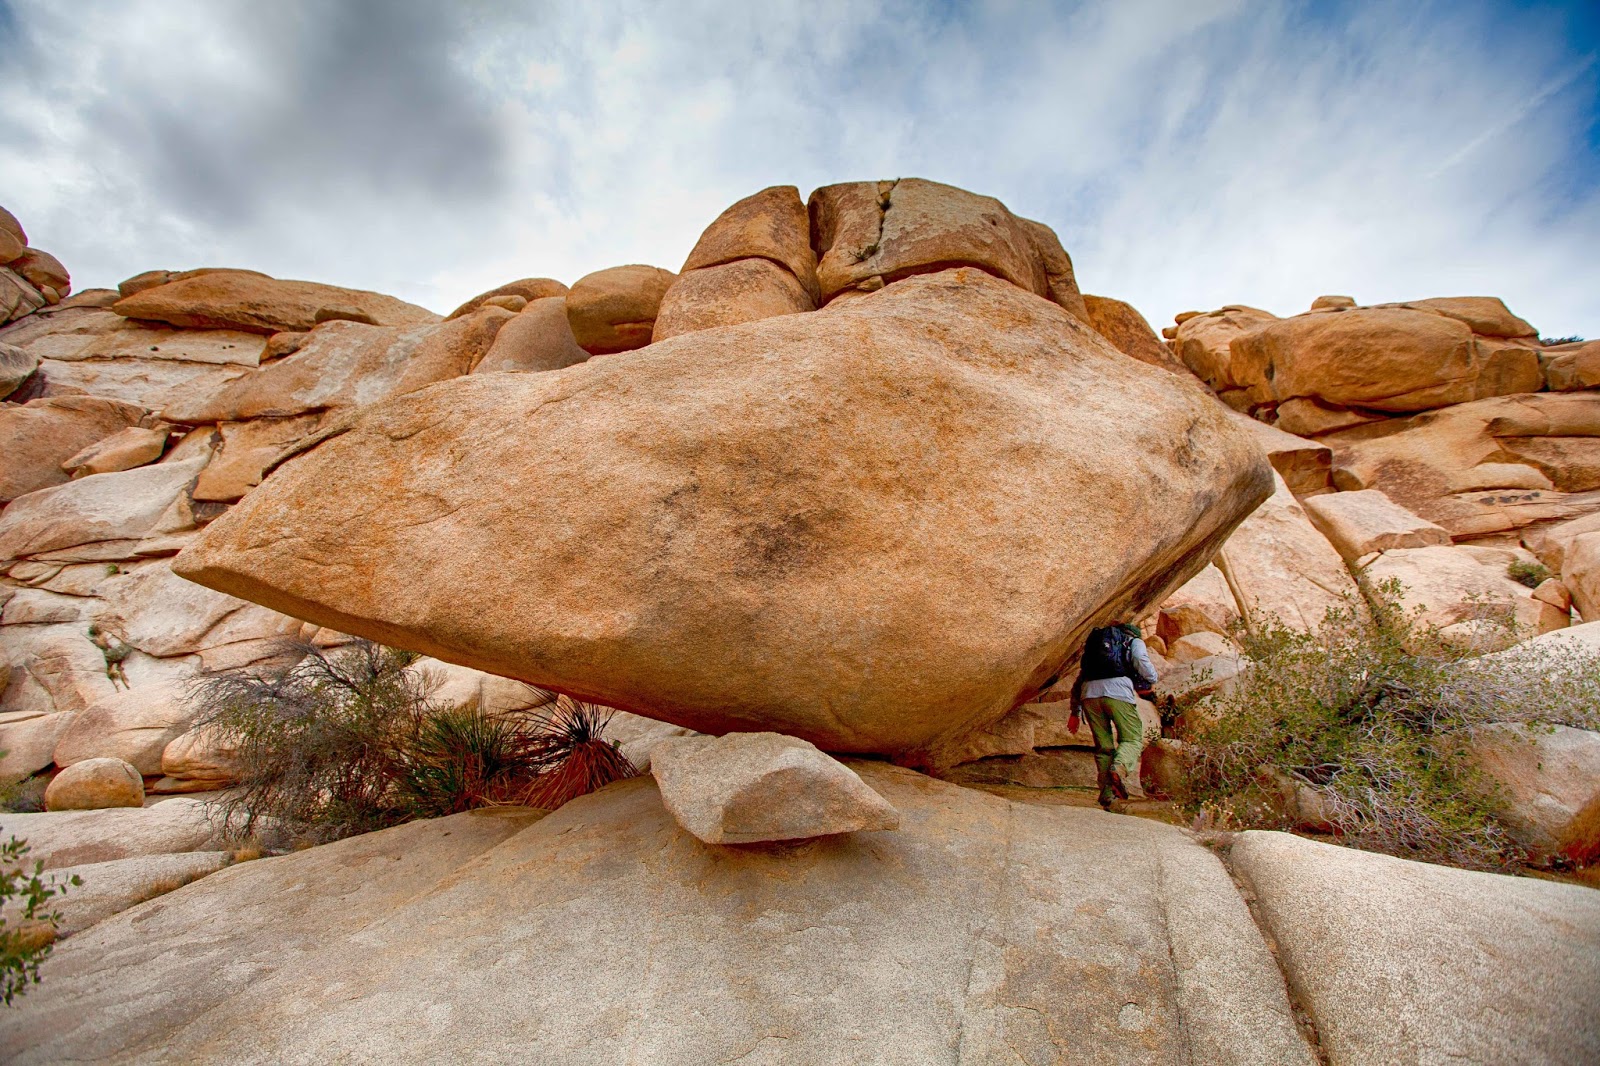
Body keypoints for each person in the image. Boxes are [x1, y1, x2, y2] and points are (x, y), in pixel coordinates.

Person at [1070, 621, 1158, 811]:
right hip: (1118, 693)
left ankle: (1108, 797)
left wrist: (1075, 712)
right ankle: (1119, 768)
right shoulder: (1132, 640)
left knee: (1104, 748)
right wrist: (1152, 679)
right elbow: (1140, 659)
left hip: (1089, 695)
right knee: (1132, 739)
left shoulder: (1096, 646)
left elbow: (1080, 679)